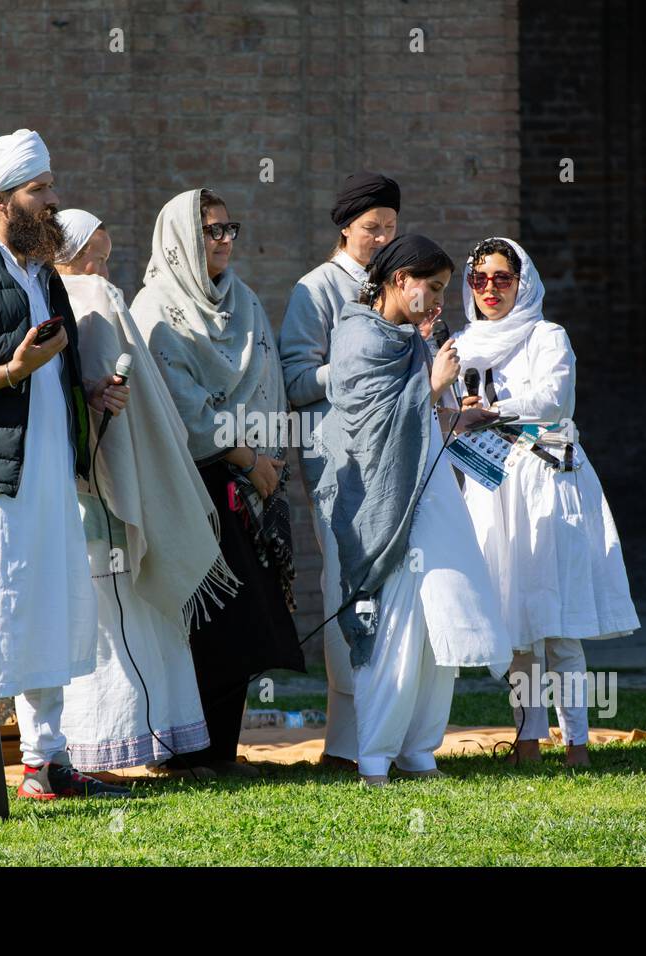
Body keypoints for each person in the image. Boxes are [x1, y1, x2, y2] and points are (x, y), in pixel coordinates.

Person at [0, 129, 132, 800]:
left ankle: (46, 764)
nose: (54, 201)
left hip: (43, 479)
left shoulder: (42, 274)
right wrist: (13, 368)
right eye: (40, 190)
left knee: (45, 608)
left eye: (52, 186)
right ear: (1, 200)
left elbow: (51, 366)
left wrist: (89, 391)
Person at [311, 234, 512, 787]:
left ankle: (419, 749)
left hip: (428, 497)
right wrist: (431, 384)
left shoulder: (409, 338)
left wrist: (458, 417)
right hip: (382, 508)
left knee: (437, 623)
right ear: (401, 281)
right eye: (436, 288)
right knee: (394, 624)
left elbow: (419, 423)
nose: (442, 302)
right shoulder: (357, 337)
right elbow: (369, 427)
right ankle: (374, 756)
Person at [52, 208, 240, 777]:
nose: (100, 270)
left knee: (120, 624)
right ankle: (103, 750)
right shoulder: (90, 300)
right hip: (101, 499)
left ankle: (139, 746)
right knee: (118, 625)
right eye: (92, 258)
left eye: (106, 260)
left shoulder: (64, 302)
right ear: (67, 257)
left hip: (86, 497)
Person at [131, 188, 306, 777]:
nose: (224, 239)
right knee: (205, 623)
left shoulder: (246, 303)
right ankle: (185, 755)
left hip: (248, 480)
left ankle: (222, 752)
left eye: (231, 228)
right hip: (189, 484)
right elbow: (178, 408)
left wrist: (267, 459)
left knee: (246, 619)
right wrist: (243, 455)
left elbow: (270, 381)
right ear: (181, 237)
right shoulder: (155, 310)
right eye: (211, 230)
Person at [453, 236, 640, 767]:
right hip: (494, 486)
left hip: (548, 483)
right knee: (516, 623)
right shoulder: (463, 344)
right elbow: (447, 409)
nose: (490, 289)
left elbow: (554, 398)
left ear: (523, 282)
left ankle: (577, 744)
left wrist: (487, 410)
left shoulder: (546, 335)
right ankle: (527, 741)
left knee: (557, 624)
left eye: (502, 279)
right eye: (479, 279)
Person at [278, 171, 400, 771]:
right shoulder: (316, 290)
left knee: (390, 591)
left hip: (393, 460)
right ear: (345, 226)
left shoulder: (398, 285)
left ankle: (391, 729)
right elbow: (297, 380)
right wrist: (352, 370)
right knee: (344, 588)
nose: (381, 238)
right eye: (371, 228)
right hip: (339, 463)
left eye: (390, 229)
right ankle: (343, 743)